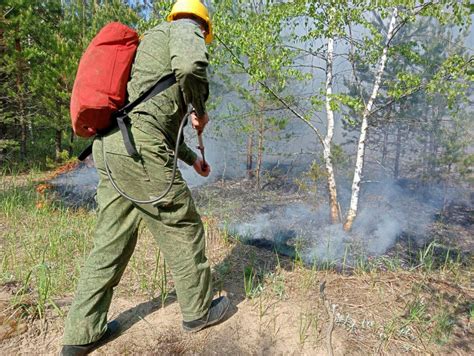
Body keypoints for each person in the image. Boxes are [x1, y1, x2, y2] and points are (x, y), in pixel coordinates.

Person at [61, 1, 229, 355]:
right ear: (202, 24)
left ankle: (81, 332)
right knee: (183, 225)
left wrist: (192, 159)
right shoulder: (186, 28)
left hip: (111, 148)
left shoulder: (151, 43)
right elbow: (190, 66)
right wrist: (200, 109)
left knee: (110, 241)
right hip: (136, 151)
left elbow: (149, 118)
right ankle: (199, 312)